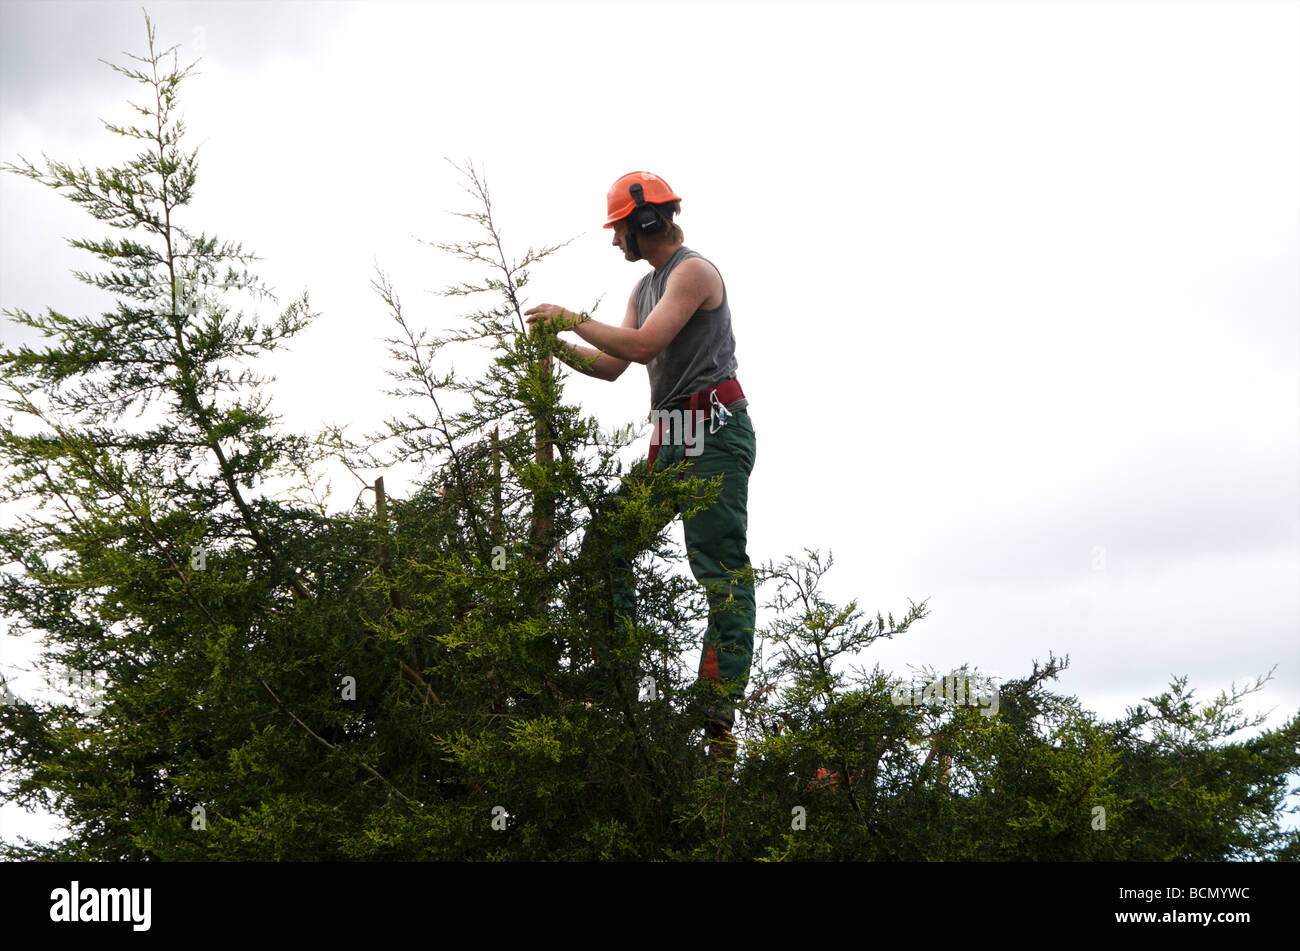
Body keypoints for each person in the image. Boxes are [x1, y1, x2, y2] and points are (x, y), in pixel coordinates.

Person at [524, 171, 756, 769]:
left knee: (719, 567)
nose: (613, 241)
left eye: (618, 229)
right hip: (672, 440)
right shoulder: (644, 288)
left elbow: (647, 346)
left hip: (716, 435)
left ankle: (717, 712)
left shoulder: (693, 273)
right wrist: (553, 344)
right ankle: (622, 683)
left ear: (645, 221)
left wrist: (571, 316)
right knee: (605, 546)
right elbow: (610, 366)